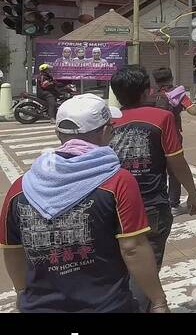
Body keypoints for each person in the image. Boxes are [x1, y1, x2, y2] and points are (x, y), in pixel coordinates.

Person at [1, 94, 170, 313]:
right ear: (106, 132)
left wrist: (22, 293)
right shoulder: (117, 182)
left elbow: (12, 249)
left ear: (58, 134)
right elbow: (133, 247)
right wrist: (158, 301)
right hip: (107, 306)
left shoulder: (20, 187)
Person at [110, 66, 196, 311]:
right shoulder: (161, 117)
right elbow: (177, 162)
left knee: (120, 266)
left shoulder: (108, 121)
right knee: (148, 267)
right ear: (145, 92)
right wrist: (192, 194)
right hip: (150, 205)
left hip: (112, 205)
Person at [152, 67, 196, 214]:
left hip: (154, 135)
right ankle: (174, 204)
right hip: (173, 136)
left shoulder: (151, 94)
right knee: (175, 170)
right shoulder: (178, 94)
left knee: (157, 169)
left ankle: (158, 202)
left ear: (156, 81)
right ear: (171, 79)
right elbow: (194, 111)